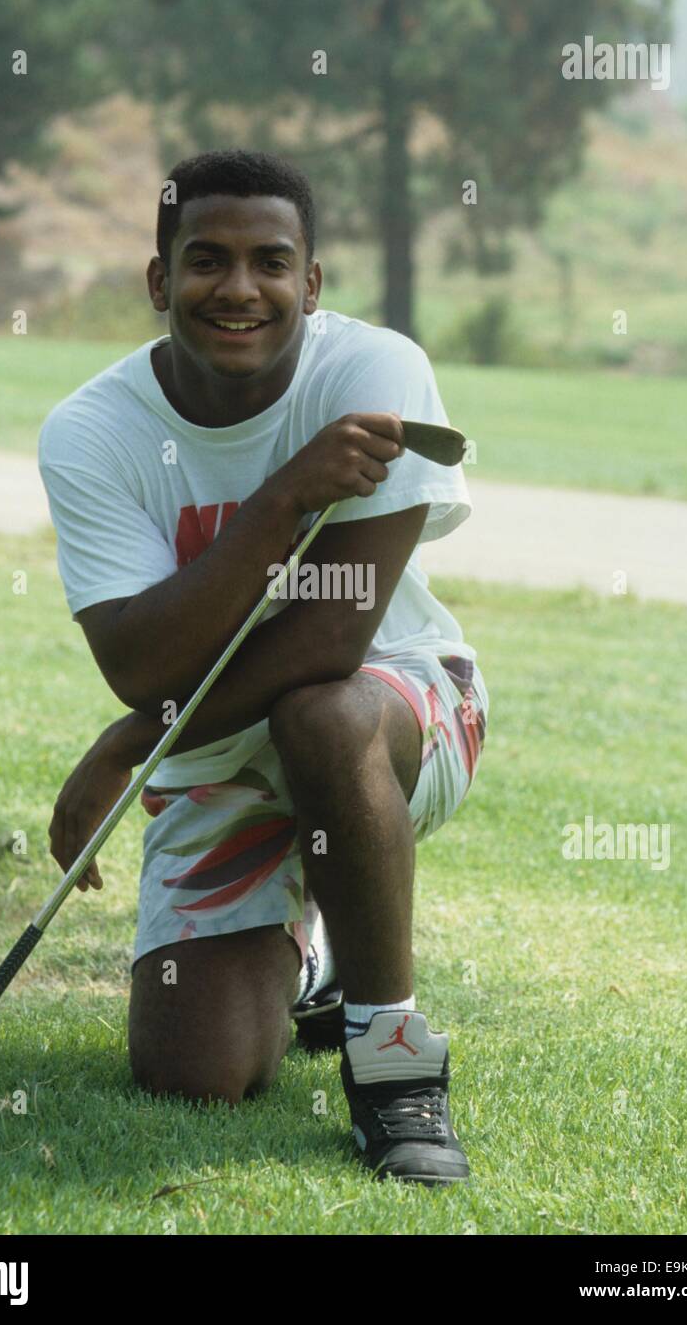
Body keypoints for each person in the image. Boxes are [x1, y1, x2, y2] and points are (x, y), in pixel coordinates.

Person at [38, 148, 488, 1186]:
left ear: (311, 283)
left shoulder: (376, 373)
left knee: (321, 715)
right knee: (193, 1070)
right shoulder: (90, 433)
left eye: (270, 262)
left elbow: (332, 636)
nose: (238, 288)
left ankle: (392, 1065)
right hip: (217, 738)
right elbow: (137, 657)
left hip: (399, 701)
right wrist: (282, 495)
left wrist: (131, 742)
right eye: (206, 261)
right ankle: (316, 953)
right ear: (159, 282)